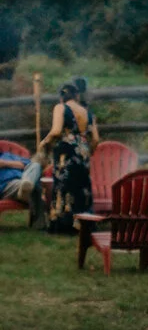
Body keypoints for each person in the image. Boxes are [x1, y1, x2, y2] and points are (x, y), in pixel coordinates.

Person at [42, 79, 98, 234]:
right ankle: (84, 224)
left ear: (62, 97)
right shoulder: (87, 112)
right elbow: (96, 139)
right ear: (77, 96)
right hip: (83, 151)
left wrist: (44, 142)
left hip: (66, 152)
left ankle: (63, 225)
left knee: (64, 186)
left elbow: (56, 131)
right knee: (82, 187)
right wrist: (88, 151)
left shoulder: (60, 108)